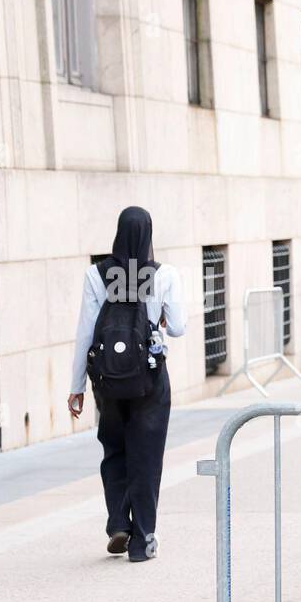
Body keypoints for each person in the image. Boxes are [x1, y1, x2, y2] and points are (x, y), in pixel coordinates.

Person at [66, 206, 186, 562]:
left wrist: (77, 386)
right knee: (146, 456)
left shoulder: (96, 274)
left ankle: (119, 521)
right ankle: (143, 538)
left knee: (114, 448)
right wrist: (160, 316)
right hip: (149, 378)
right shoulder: (163, 274)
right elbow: (178, 327)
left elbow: (85, 334)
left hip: (109, 380)